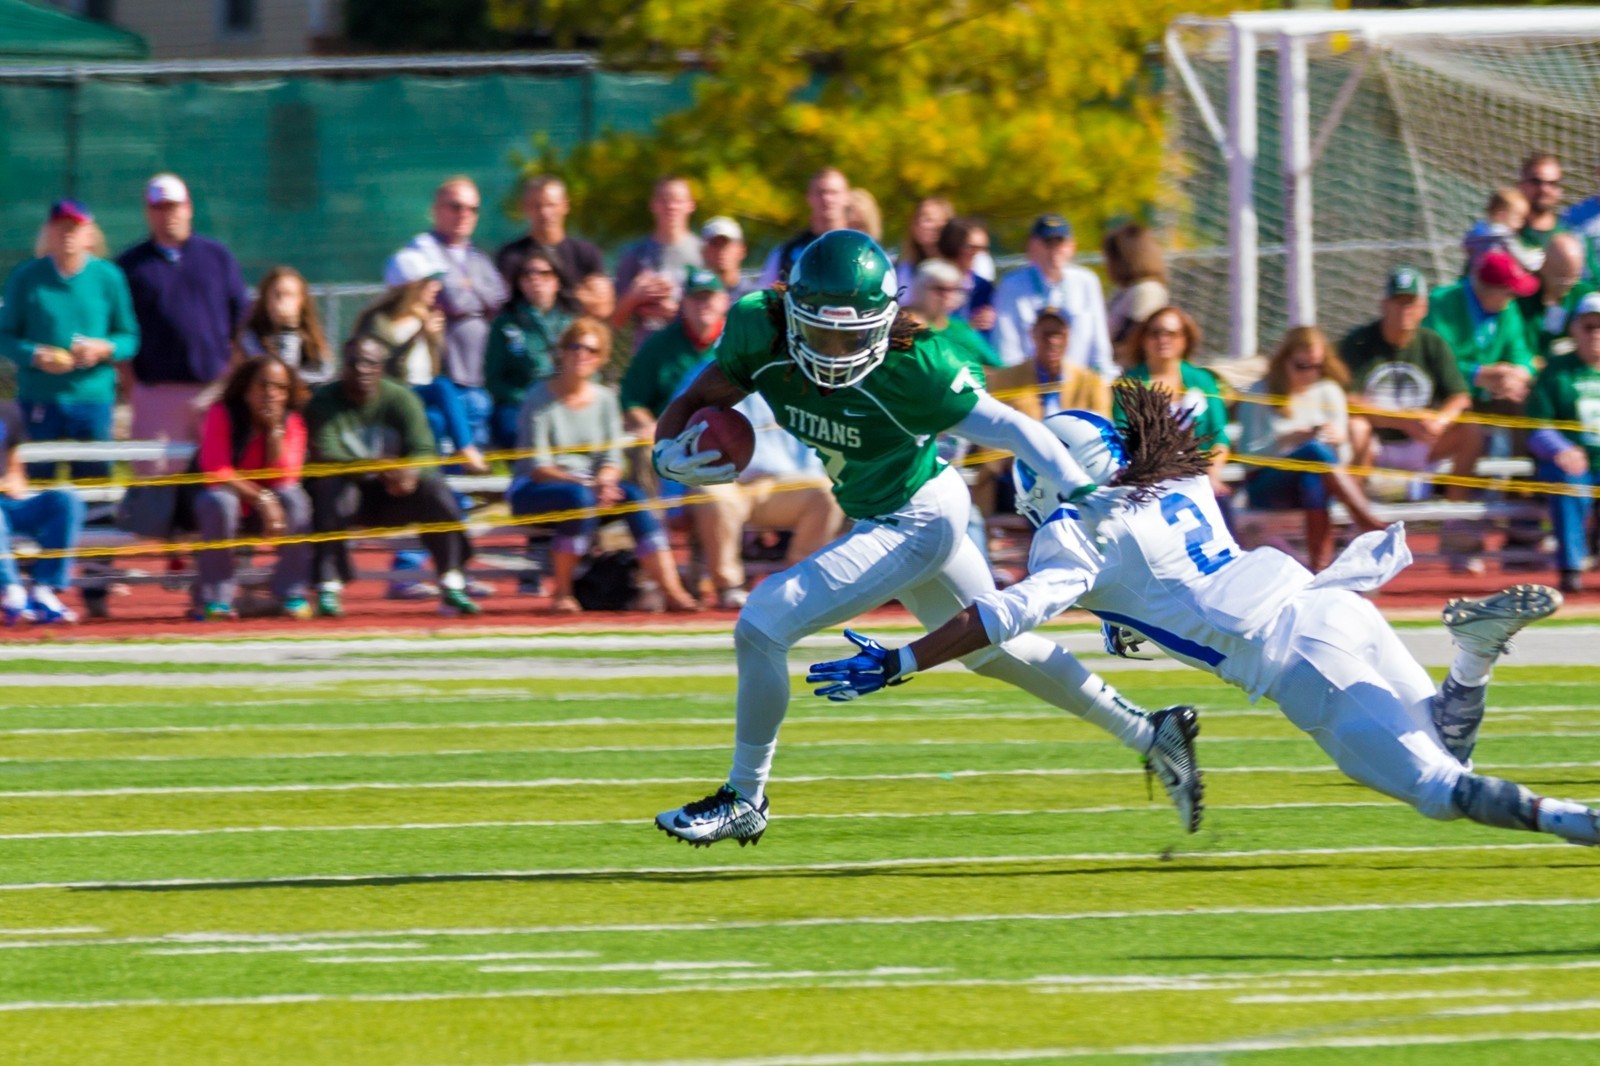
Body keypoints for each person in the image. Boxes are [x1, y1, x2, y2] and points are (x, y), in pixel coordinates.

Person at [807, 388, 1600, 851]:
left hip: (1293, 663)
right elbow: (1156, 586)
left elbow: (1006, 614)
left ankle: (1578, 822)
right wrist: (1123, 616)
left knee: (1436, 787)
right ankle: (1470, 657)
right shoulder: (1179, 482)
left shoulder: (1078, 530)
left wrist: (905, 660)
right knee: (1448, 735)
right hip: (1331, 603)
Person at [649, 229, 1201, 847]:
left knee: (761, 624)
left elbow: (1017, 430)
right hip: (888, 510)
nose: (836, 351)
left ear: (884, 322)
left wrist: (1082, 493)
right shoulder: (760, 326)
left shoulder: (919, 366)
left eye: (853, 335)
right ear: (791, 312)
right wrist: (668, 454)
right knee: (991, 650)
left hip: (919, 515)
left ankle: (745, 797)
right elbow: (697, 397)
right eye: (822, 332)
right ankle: (1152, 732)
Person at [511, 318, 698, 613]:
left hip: (593, 487)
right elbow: (537, 466)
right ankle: (562, 593)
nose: (581, 354)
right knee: (579, 499)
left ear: (601, 359)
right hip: (538, 490)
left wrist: (606, 480)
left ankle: (672, 590)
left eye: (591, 350)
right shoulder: (539, 398)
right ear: (562, 351)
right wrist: (588, 484)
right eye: (575, 346)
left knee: (636, 499)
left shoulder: (606, 399)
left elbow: (612, 458)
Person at [303, 337, 480, 619]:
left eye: (369, 363)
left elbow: (424, 450)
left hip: (396, 492)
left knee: (435, 487)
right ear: (343, 366)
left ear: (381, 368)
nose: (361, 368)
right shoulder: (324, 401)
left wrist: (410, 471)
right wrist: (375, 465)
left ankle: (452, 582)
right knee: (328, 487)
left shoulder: (401, 398)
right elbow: (326, 453)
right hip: (350, 493)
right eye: (353, 362)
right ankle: (328, 586)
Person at [117, 174, 248, 476]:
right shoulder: (129, 266)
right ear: (148, 212)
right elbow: (119, 329)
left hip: (213, 390)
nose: (168, 215)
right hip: (156, 394)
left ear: (189, 208)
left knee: (219, 477)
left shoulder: (217, 257)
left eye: (174, 206)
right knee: (157, 486)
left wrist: (231, 378)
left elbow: (240, 319)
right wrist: (134, 389)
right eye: (159, 207)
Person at [0, 200, 139, 483]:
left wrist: (102, 349)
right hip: (38, 398)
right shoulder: (26, 277)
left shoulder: (108, 277)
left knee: (94, 487)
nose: (67, 234)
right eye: (61, 227)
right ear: (48, 232)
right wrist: (35, 354)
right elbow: (5, 335)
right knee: (35, 483)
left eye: (75, 227)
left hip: (92, 399)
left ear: (89, 234)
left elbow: (130, 337)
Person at [1237, 326, 1384, 570]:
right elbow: (1248, 458)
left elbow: (1341, 459)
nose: (1310, 373)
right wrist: (1291, 439)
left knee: (1313, 477)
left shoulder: (1329, 391)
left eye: (1317, 366)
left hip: (1313, 483)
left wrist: (1339, 442)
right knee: (1313, 451)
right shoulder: (1261, 391)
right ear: (1284, 361)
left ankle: (1319, 568)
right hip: (1266, 485)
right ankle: (1363, 517)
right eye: (1302, 366)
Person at [387, 177, 508, 453]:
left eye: (472, 209)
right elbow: (452, 299)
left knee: (476, 453)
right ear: (436, 209)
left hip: (478, 381)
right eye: (456, 206)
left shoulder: (479, 258)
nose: (464, 214)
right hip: (438, 381)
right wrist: (472, 294)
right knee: (440, 450)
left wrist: (466, 291)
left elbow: (498, 297)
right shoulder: (423, 251)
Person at [1343, 266, 1481, 506]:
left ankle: (1456, 519)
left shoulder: (1432, 343)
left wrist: (1439, 421)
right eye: (1398, 301)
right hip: (1374, 443)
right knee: (1356, 428)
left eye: (1411, 302)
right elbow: (1348, 401)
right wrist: (1403, 420)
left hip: (1422, 443)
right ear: (1384, 304)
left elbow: (1460, 397)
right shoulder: (1359, 342)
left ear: (1423, 308)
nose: (1404, 309)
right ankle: (1356, 517)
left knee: (1472, 429)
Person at [191, 355, 313, 621]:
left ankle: (291, 593)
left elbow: (287, 474)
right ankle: (216, 600)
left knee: (295, 500)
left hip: (265, 511)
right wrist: (262, 498)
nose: (271, 394)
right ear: (247, 389)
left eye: (280, 388)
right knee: (221, 503)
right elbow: (216, 470)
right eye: (263, 385)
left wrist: (273, 432)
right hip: (220, 501)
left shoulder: (292, 422)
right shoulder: (222, 413)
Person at [350, 267, 489, 476]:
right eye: (431, 282)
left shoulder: (427, 316)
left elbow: (432, 368)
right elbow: (381, 366)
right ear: (413, 286)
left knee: (437, 419)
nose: (437, 287)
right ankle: (466, 451)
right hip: (392, 394)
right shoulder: (378, 322)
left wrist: (433, 340)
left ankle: (440, 479)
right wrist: (418, 334)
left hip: (421, 394)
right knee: (442, 386)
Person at [1525, 291, 1600, 593]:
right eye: (1588, 326)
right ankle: (1571, 567)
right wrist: (1562, 448)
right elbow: (1536, 425)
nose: (1595, 334)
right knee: (1569, 482)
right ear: (1574, 330)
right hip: (1571, 464)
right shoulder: (1557, 371)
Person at [1120, 306, 1230, 500]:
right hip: (1148, 480)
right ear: (1143, 339)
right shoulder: (1130, 383)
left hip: (1200, 475)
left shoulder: (1203, 380)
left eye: (1171, 333)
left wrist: (1212, 477)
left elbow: (1220, 436)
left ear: (1184, 340)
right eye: (1155, 333)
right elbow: (1122, 433)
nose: (1163, 339)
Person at [992, 214, 1114, 379]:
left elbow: (1100, 346)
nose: (1054, 249)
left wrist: (1101, 381)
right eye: (1047, 242)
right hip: (1029, 385)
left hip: (1077, 386)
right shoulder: (1012, 285)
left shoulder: (1087, 281)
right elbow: (1006, 345)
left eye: (1060, 242)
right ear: (1032, 247)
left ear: (1072, 247)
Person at [0, 398, 85, 624]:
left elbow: (14, 463)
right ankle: (13, 594)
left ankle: (44, 590)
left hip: (11, 501)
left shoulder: (7, 409)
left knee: (65, 499)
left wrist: (15, 478)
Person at [620, 269, 730, 441]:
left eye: (708, 297)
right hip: (673, 439)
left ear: (724, 301)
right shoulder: (659, 344)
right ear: (683, 303)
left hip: (730, 434)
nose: (703, 304)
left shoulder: (738, 340)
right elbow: (632, 400)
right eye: (696, 298)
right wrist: (654, 430)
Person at [485, 246, 573, 449]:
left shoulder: (573, 325)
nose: (535, 279)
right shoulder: (506, 324)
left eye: (544, 273)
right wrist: (529, 398)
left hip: (565, 403)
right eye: (527, 273)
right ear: (520, 282)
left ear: (557, 281)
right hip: (519, 405)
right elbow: (494, 380)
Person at [495, 175, 610, 317]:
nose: (545, 213)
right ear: (525, 208)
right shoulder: (511, 255)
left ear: (565, 206)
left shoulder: (586, 254)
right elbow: (504, 305)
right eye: (537, 206)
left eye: (551, 205)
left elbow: (602, 307)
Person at [612, 176, 703, 351]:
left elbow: (717, 314)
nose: (671, 207)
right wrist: (634, 296)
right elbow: (615, 321)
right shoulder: (635, 254)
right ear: (653, 205)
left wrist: (679, 311)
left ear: (691, 205)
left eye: (678, 201)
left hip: (690, 355)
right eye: (664, 200)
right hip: (646, 354)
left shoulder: (703, 254)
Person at [237, 266, 335, 387]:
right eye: (277, 295)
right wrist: (288, 331)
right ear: (266, 299)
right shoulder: (250, 336)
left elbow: (325, 374)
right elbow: (277, 378)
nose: (282, 302)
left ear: (301, 301)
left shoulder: (312, 340)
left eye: (289, 295)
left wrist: (290, 332)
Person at [757, 167, 851, 287]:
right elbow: (766, 295)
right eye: (820, 192)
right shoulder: (786, 252)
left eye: (834, 192)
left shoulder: (865, 250)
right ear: (809, 197)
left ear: (847, 197)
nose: (827, 199)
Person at [907, 259, 1001, 370]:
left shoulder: (960, 329)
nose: (946, 295)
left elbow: (997, 366)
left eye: (953, 289)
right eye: (939, 289)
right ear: (919, 289)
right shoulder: (906, 327)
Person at [1102, 223, 1170, 369]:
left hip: (1134, 373)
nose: (1107, 265)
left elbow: (1133, 335)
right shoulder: (1124, 290)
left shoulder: (1146, 291)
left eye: (1110, 259)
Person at [1519, 231, 1594, 360]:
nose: (1567, 283)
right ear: (1545, 267)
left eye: (1573, 276)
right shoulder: (1524, 296)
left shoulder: (1583, 295)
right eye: (1561, 276)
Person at [1461, 187, 1542, 276]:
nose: (1521, 224)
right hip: (1497, 281)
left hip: (1476, 279)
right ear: (1501, 215)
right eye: (1519, 218)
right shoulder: (1503, 236)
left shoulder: (1479, 228)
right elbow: (1525, 261)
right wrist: (1536, 258)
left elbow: (1466, 244)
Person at [935, 217, 996, 332]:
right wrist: (968, 326)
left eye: (984, 248)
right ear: (953, 246)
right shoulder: (931, 282)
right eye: (972, 248)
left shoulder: (984, 287)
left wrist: (995, 318)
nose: (978, 254)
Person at [894, 196, 954, 292]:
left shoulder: (961, 270)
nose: (922, 224)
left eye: (930, 219)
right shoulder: (900, 270)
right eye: (926, 219)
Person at [1517, 152, 1567, 255]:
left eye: (1552, 183)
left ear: (1560, 191)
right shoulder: (1502, 235)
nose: (1544, 189)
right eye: (1536, 182)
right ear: (1521, 186)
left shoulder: (1573, 237)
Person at [700, 216, 758, 301]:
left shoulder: (753, 298)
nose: (721, 251)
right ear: (703, 251)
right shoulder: (694, 296)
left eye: (726, 244)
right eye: (715, 244)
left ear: (741, 250)